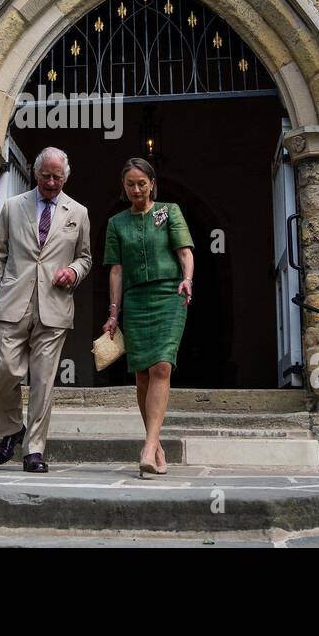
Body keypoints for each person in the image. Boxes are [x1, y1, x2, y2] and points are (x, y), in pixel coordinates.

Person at [0, 146, 92, 473]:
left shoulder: (78, 213)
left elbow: (85, 258)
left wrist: (73, 272)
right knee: (3, 369)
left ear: (66, 177)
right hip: (12, 302)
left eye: (58, 177)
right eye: (46, 176)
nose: (52, 182)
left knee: (43, 381)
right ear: (35, 173)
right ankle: (12, 429)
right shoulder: (13, 207)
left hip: (54, 307)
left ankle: (34, 451)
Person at [101, 158, 193, 477]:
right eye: (131, 184)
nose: (137, 189)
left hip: (170, 294)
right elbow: (116, 269)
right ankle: (157, 446)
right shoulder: (116, 223)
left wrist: (187, 278)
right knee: (142, 374)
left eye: (142, 183)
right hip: (136, 299)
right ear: (124, 187)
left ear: (152, 183)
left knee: (162, 365)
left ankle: (146, 448)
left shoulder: (169, 211)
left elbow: (184, 251)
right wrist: (114, 313)